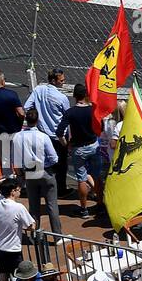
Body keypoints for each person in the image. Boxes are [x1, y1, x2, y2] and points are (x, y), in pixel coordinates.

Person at [12, 108, 60, 237]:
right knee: (52, 205)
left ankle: (34, 234)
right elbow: (54, 158)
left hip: (29, 173)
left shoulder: (18, 136)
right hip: (44, 171)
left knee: (33, 206)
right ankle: (57, 235)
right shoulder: (43, 136)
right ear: (37, 120)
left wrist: (20, 172)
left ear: (26, 120)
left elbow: (15, 158)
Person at [54, 85, 98, 220]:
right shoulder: (92, 110)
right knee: (96, 175)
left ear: (74, 96)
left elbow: (59, 132)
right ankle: (101, 203)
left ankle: (84, 209)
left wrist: (66, 144)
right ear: (86, 95)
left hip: (79, 148)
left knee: (81, 178)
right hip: (93, 145)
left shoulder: (71, 112)